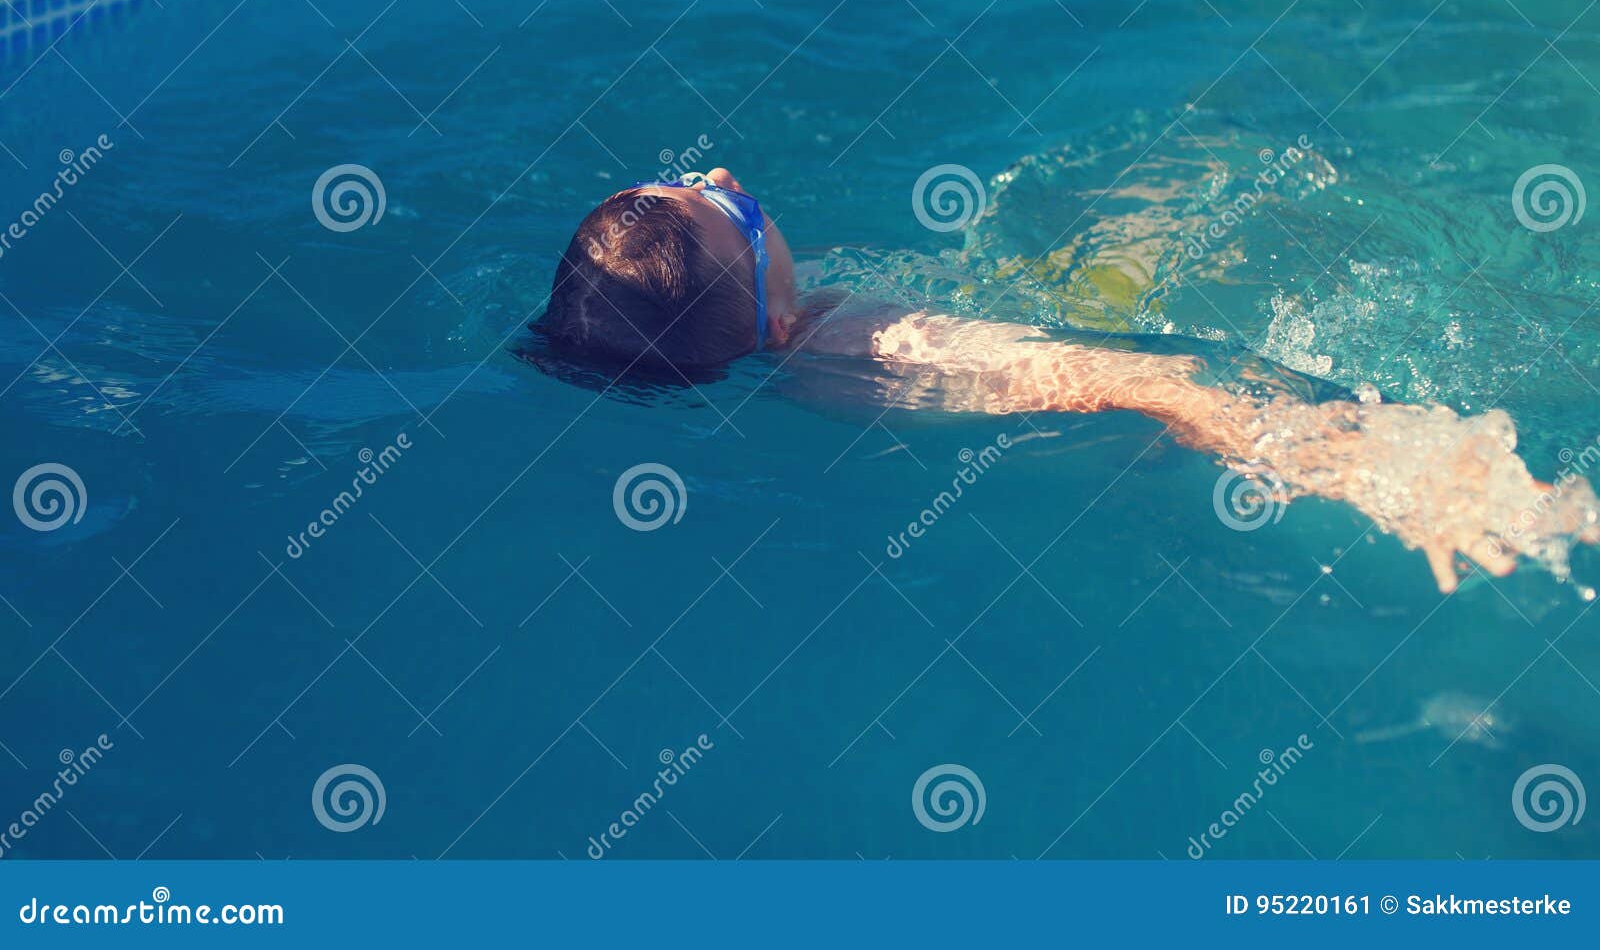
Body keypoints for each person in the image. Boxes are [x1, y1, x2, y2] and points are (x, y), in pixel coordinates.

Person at [538, 167, 1599, 593]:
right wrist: (1413, 477)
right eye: (739, 208)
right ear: (770, 319)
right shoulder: (880, 342)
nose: (725, 175)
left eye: (693, 176)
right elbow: (1154, 384)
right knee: (1184, 190)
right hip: (1121, 416)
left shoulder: (764, 340)